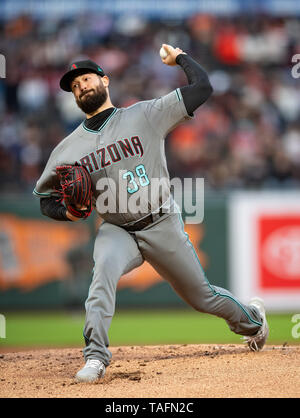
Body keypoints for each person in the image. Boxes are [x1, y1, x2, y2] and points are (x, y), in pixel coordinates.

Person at [33, 44, 269, 383]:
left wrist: (180, 59)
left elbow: (202, 88)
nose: (81, 86)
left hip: (161, 221)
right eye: (74, 85)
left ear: (105, 80)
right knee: (102, 277)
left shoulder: (145, 114)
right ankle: (96, 356)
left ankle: (253, 321)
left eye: (85, 78)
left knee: (202, 297)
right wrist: (69, 214)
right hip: (115, 228)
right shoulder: (67, 149)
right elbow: (44, 198)